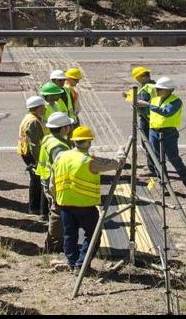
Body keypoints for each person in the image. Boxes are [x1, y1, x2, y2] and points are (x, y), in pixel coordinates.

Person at [50, 126, 122, 272]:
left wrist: (56, 199)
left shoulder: (61, 157)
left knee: (69, 235)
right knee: (93, 235)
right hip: (85, 207)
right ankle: (82, 265)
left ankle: (72, 263)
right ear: (89, 143)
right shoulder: (88, 161)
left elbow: (52, 183)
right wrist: (121, 156)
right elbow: (114, 164)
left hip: (64, 204)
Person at [136, 76, 186, 197]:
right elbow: (148, 113)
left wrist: (147, 105)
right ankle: (164, 187)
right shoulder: (155, 99)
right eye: (157, 88)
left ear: (169, 90)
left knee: (175, 161)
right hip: (154, 132)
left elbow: (167, 112)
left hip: (169, 133)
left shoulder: (176, 101)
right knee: (158, 161)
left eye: (160, 89)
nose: (157, 91)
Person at [37, 111, 75, 253]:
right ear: (64, 128)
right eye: (69, 125)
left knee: (55, 211)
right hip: (55, 183)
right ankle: (53, 245)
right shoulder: (59, 147)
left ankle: (55, 241)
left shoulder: (49, 138)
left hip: (46, 179)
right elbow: (63, 167)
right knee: (57, 213)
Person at [122, 66, 157, 176]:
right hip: (149, 117)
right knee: (148, 143)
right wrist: (128, 96)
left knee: (148, 144)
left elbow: (147, 104)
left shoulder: (148, 88)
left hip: (148, 118)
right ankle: (151, 165)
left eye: (137, 77)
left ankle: (152, 169)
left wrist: (135, 103)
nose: (136, 80)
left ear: (142, 77)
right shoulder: (149, 85)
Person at [18, 95, 50, 215]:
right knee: (37, 181)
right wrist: (38, 161)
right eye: (43, 107)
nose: (45, 109)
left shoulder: (30, 117)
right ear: (37, 108)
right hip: (31, 155)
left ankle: (34, 207)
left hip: (26, 152)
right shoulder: (33, 122)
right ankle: (35, 207)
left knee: (36, 180)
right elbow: (35, 144)